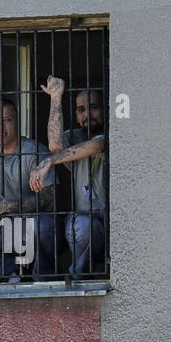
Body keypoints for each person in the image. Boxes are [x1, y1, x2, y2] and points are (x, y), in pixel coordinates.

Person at [0, 99, 58, 280]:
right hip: (0, 228)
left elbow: (50, 199)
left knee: (45, 225)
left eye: (6, 119)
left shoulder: (34, 152)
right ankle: (9, 273)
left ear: (17, 122)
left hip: (32, 225)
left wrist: (7, 206)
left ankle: (42, 277)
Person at [31, 77, 107, 276]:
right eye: (81, 110)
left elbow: (97, 145)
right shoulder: (75, 136)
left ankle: (83, 274)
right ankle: (80, 275)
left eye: (93, 107)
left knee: (86, 224)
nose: (87, 114)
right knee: (82, 223)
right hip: (83, 224)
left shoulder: (112, 133)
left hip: (109, 222)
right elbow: (55, 145)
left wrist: (49, 161)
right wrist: (56, 98)